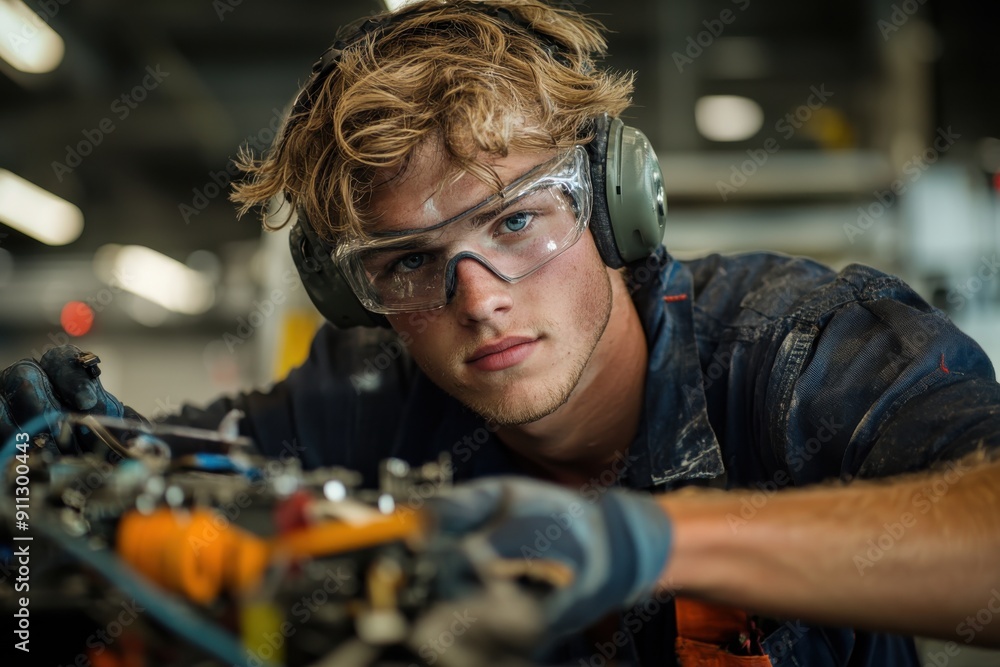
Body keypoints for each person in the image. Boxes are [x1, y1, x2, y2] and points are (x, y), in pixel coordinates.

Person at [2, 0, 999, 664]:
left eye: (516, 220)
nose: (476, 298)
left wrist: (642, 541)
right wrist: (74, 477)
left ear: (616, 208)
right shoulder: (361, 395)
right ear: (359, 294)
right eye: (408, 263)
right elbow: (182, 485)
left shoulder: (795, 350)